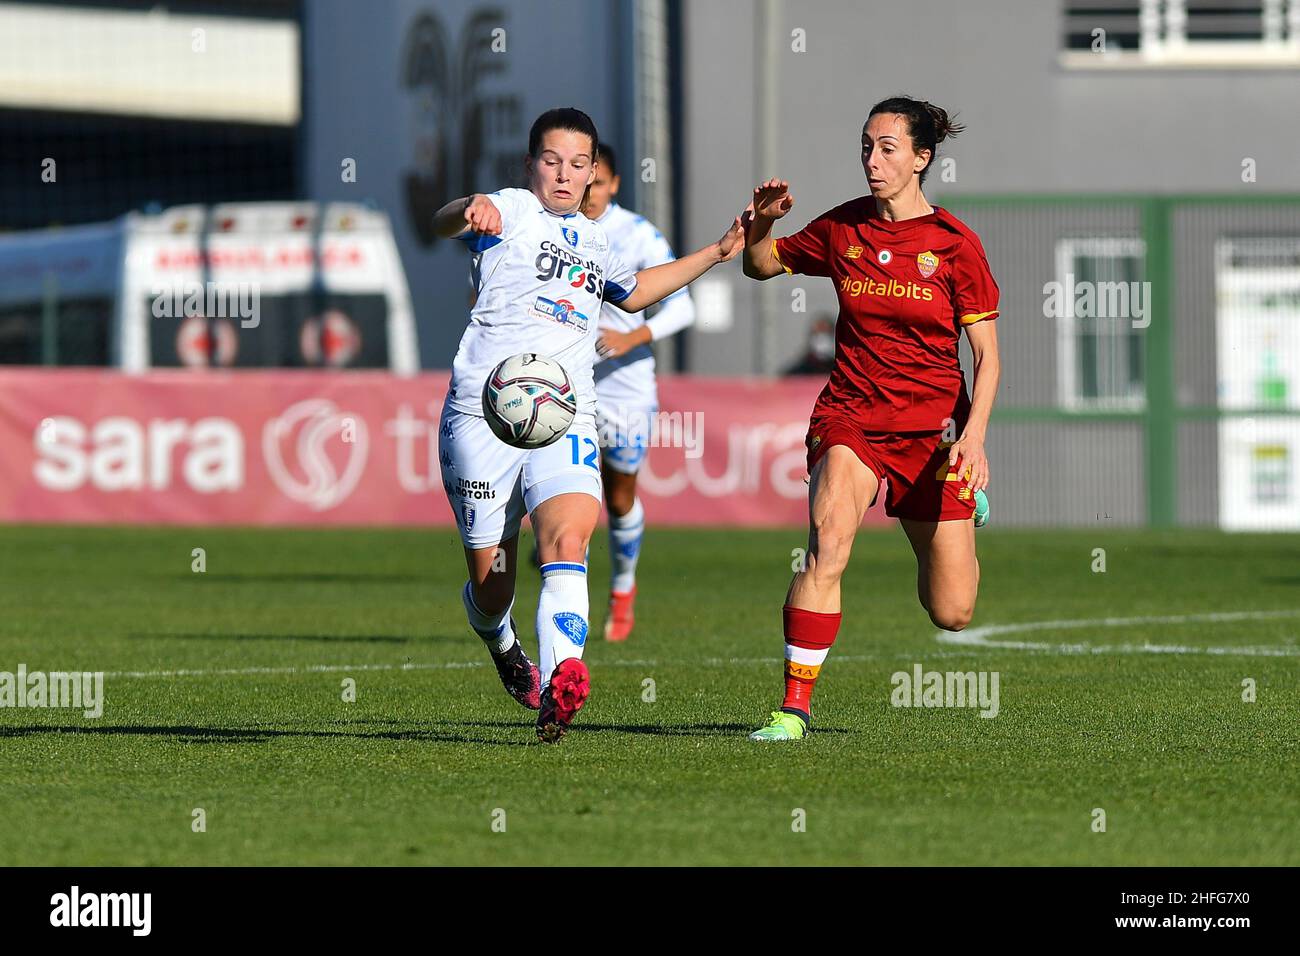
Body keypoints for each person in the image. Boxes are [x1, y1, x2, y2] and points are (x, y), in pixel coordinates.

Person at [432, 107, 743, 742]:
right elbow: (443, 222)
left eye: (579, 164)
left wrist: (716, 252)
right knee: (492, 586)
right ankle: (498, 637)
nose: (565, 174)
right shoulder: (512, 210)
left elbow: (633, 293)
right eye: (552, 161)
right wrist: (469, 208)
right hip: (482, 415)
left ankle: (562, 678)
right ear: (530, 166)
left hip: (564, 413)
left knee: (567, 545)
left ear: (594, 172)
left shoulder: (597, 240)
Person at [739, 95, 1001, 742]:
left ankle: (967, 504)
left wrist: (973, 438)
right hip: (851, 417)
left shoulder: (955, 247)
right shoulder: (843, 228)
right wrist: (758, 230)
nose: (872, 160)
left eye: (887, 148)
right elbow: (760, 265)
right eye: (865, 145)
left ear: (921, 158)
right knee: (827, 545)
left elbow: (987, 357)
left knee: (953, 612)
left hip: (933, 433)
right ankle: (793, 710)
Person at [582, 144, 696, 641]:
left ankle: (623, 587)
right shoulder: (550, 227)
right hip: (565, 386)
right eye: (585, 179)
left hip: (626, 390)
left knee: (619, 495)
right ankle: (569, 602)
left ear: (615, 183)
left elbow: (682, 309)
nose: (590, 191)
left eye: (599, 181)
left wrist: (633, 335)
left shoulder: (636, 234)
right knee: (570, 494)